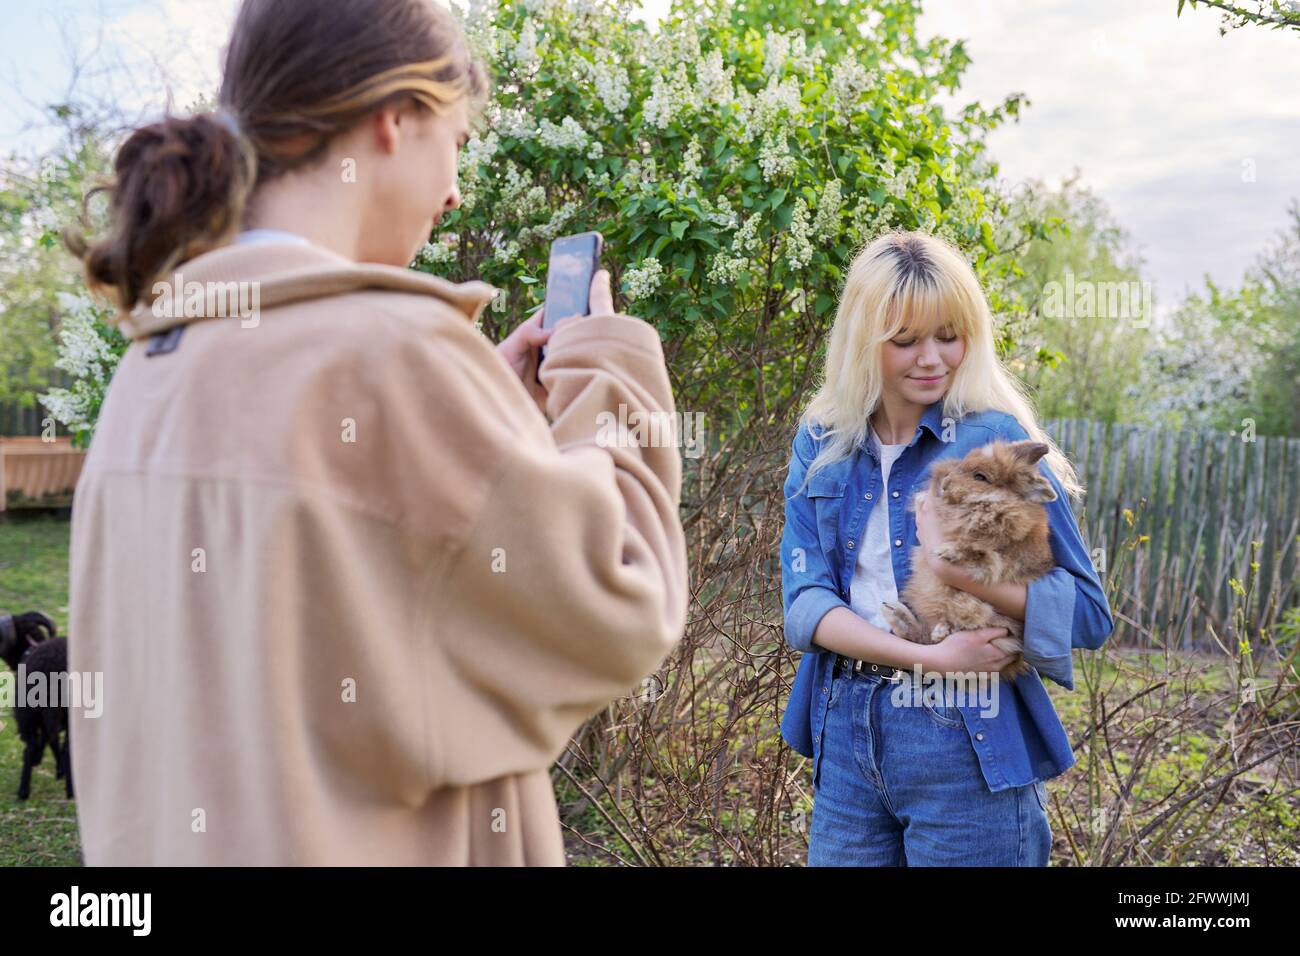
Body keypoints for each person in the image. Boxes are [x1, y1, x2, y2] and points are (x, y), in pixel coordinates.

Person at [65, 0, 687, 865]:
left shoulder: (155, 365)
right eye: (457, 141)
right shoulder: (391, 357)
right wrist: (605, 371)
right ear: (395, 117)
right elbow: (618, 603)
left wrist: (486, 417)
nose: (456, 189)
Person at [779, 230, 1114, 866]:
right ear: (861, 343)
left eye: (949, 335)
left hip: (965, 729)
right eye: (905, 341)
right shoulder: (822, 443)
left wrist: (943, 566)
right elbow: (806, 603)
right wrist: (923, 656)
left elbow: (1088, 616)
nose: (932, 358)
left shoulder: (994, 442)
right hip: (846, 727)